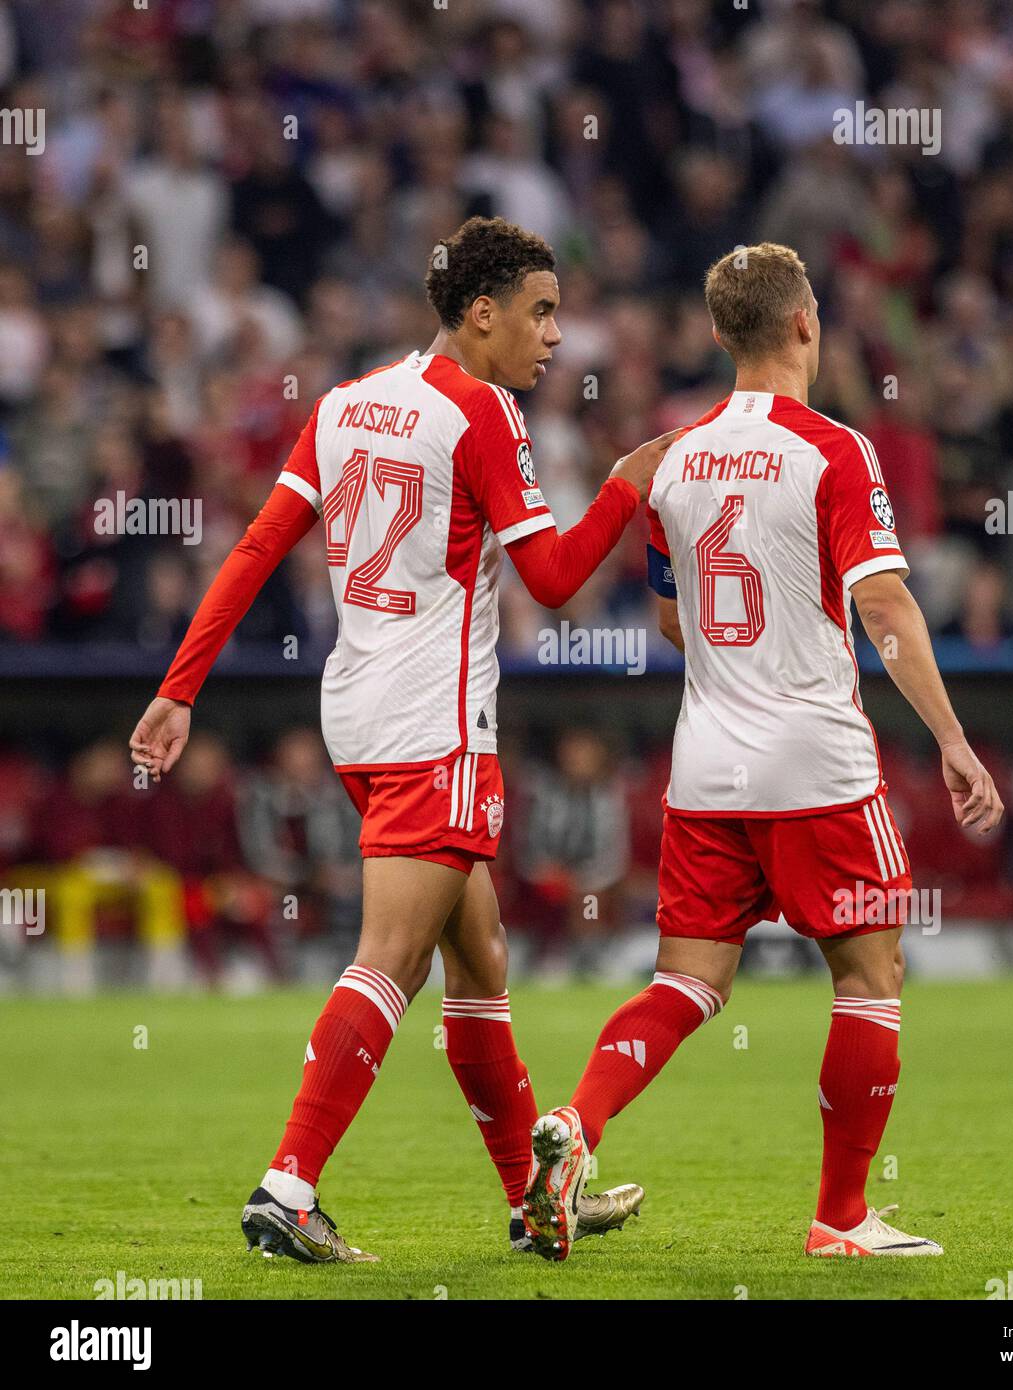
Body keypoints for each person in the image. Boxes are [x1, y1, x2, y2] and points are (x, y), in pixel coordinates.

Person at [130, 216, 676, 1262]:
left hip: (357, 710)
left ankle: (533, 1199)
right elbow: (557, 583)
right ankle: (288, 1186)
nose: (556, 336)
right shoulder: (483, 413)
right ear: (482, 314)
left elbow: (257, 546)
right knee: (393, 955)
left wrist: (179, 687)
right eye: (542, 311)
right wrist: (627, 484)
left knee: (479, 959)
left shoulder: (343, 404)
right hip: (437, 720)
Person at [523, 242, 1004, 1261]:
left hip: (705, 766)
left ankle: (578, 1122)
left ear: (717, 333)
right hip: (817, 761)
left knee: (689, 981)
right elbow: (884, 606)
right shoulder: (834, 448)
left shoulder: (670, 460)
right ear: (803, 325)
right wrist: (953, 740)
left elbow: (672, 623)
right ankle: (840, 1217)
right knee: (870, 974)